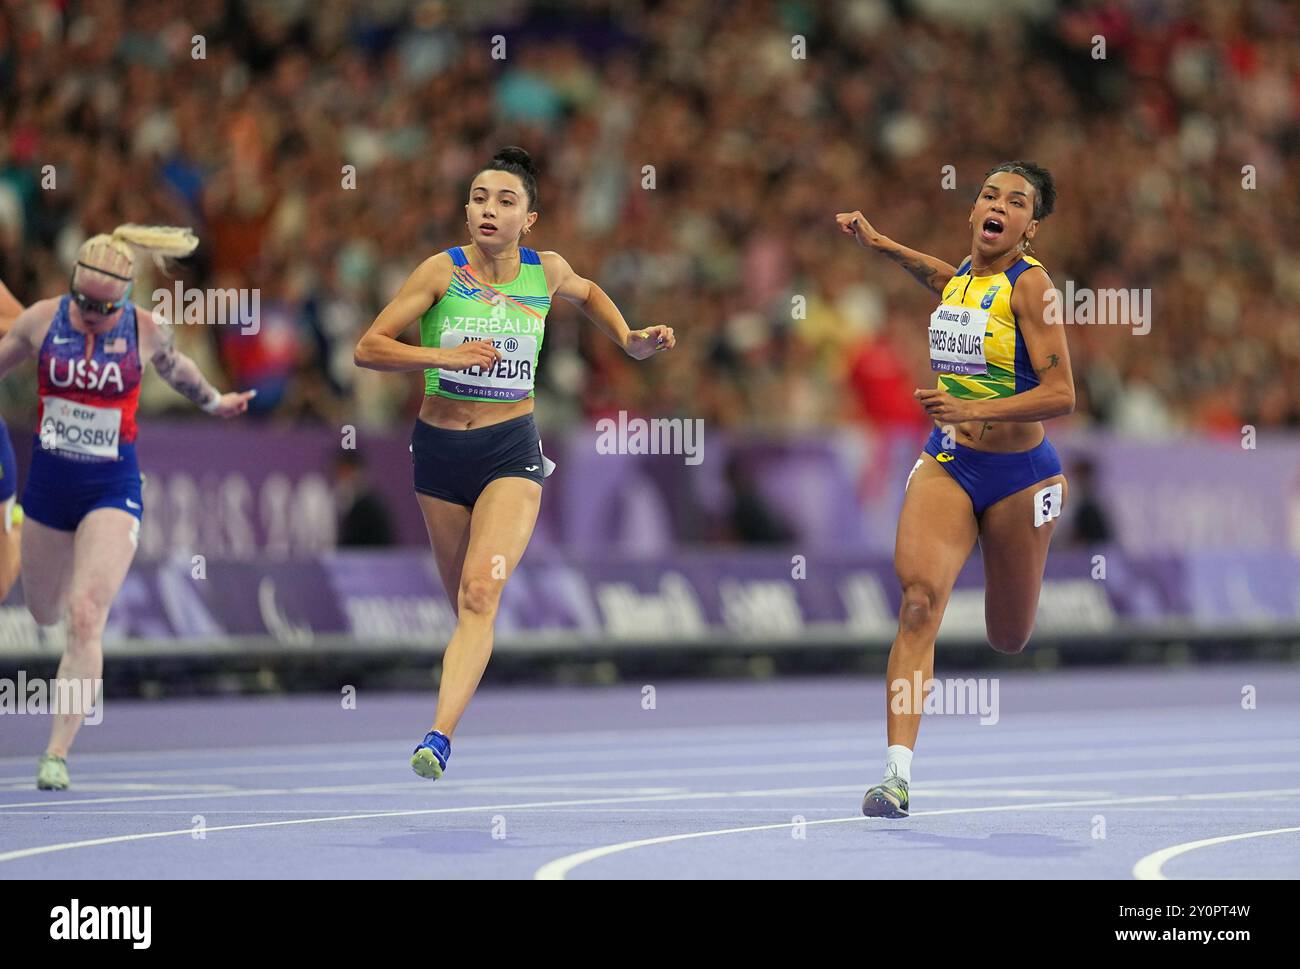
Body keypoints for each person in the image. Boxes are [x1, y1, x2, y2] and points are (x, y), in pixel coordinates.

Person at [355, 147, 675, 780]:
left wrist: (629, 339)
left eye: (505, 201)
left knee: (480, 593)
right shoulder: (439, 272)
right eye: (479, 198)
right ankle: (460, 692)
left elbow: (588, 292)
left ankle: (438, 737)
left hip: (510, 450)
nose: (488, 210)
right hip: (439, 453)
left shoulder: (545, 271)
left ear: (529, 219)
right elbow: (369, 348)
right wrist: (443, 358)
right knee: (464, 608)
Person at [836, 162, 1073, 817]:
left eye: (1017, 202)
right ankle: (895, 775)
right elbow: (945, 280)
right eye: (990, 195)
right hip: (950, 460)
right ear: (974, 211)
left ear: (1030, 228)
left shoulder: (1034, 288)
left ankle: (1044, 513)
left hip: (1021, 477)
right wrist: (881, 244)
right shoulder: (967, 278)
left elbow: (1062, 394)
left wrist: (975, 408)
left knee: (1008, 636)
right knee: (918, 603)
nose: (999, 205)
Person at [0, 225, 255, 790]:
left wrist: (216, 401)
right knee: (43, 611)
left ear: (126, 298)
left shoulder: (146, 329)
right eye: (83, 303)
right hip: (49, 487)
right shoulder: (41, 320)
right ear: (71, 287)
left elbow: (178, 369)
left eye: (104, 308)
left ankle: (56, 753)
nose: (91, 316)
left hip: (111, 487)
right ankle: (16, 528)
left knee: (85, 614)